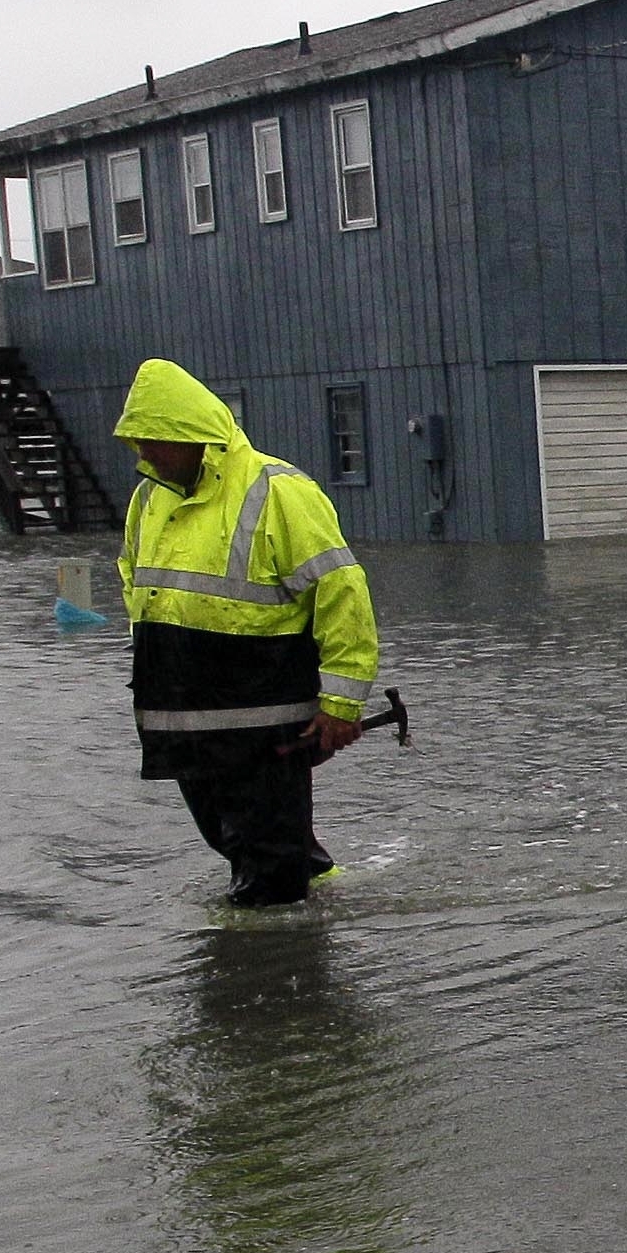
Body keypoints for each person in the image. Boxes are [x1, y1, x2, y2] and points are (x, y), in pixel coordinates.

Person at [111, 359, 380, 906]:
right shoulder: (149, 499)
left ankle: (270, 967)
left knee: (268, 873)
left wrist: (342, 704)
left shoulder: (279, 492)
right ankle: (328, 908)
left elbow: (342, 593)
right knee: (237, 841)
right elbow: (133, 583)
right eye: (137, 442)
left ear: (193, 439)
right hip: (185, 715)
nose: (142, 454)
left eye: (152, 441)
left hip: (263, 719)